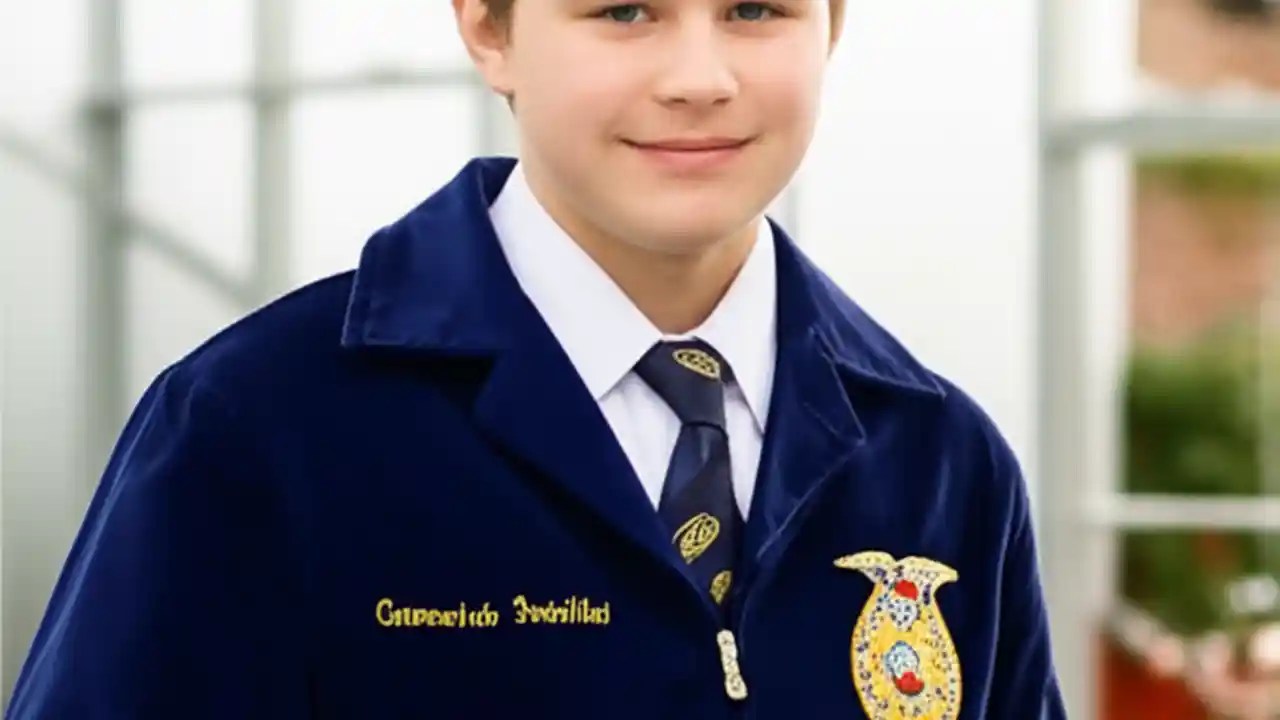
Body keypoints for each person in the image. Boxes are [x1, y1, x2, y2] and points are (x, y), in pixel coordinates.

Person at [7, 0, 1067, 717]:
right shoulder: (257, 431)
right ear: (488, 27)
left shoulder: (940, 463)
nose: (699, 78)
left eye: (754, 7)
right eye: (622, 9)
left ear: (833, 23)